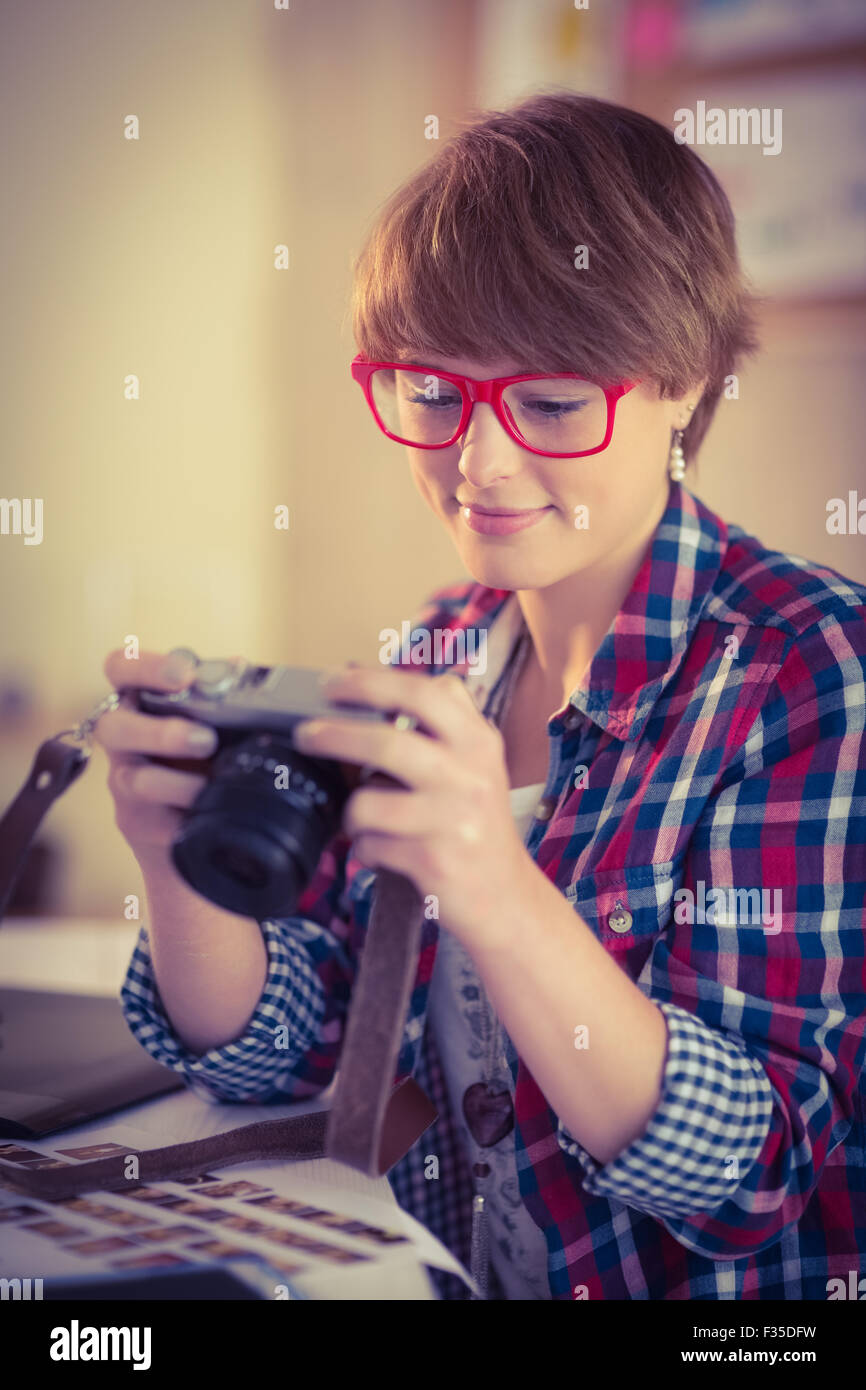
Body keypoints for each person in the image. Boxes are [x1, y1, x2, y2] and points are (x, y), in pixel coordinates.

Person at [95, 92, 866, 1300]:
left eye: (552, 404)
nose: (480, 464)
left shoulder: (805, 670)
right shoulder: (442, 651)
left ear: (686, 383)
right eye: (433, 394)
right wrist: (176, 861)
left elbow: (755, 1175)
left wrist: (498, 892)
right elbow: (288, 1048)